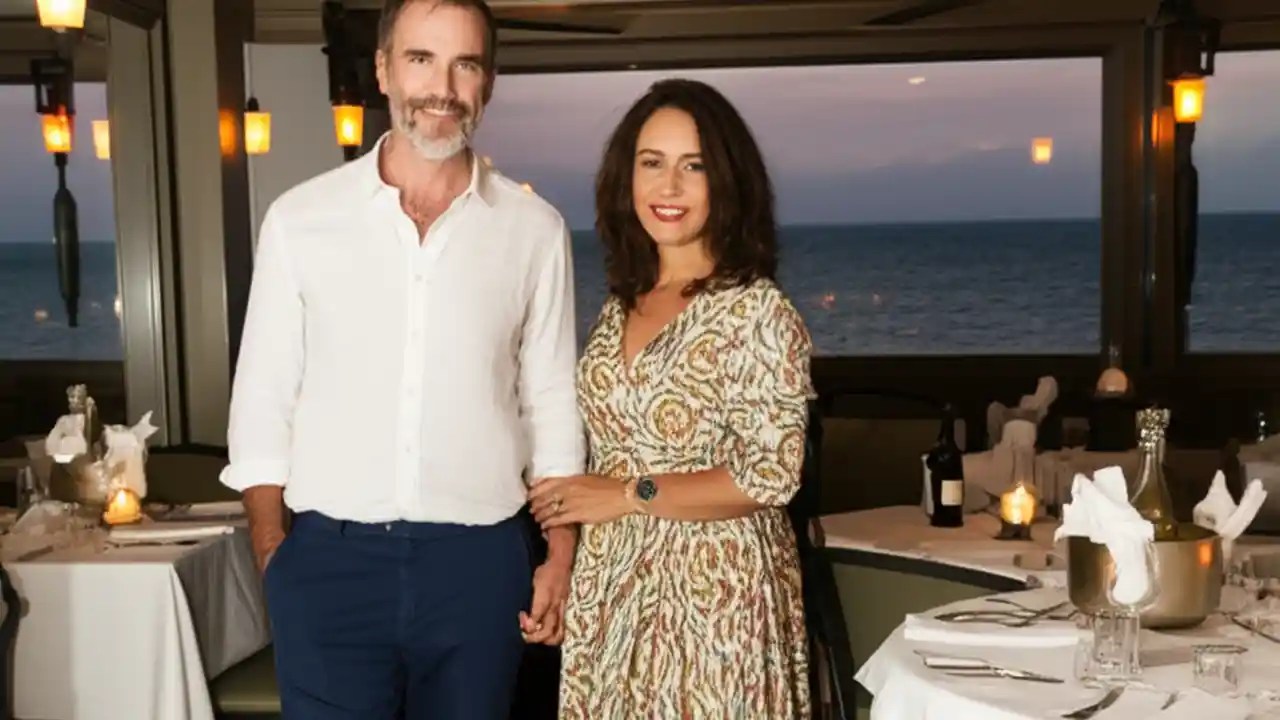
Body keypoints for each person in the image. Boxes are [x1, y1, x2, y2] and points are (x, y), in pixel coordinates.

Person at [220, 1, 583, 717]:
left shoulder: (535, 231)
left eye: (464, 64)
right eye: (421, 59)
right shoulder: (300, 220)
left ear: (488, 82)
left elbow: (551, 405)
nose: (442, 88)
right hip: (329, 564)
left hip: (481, 568)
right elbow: (263, 398)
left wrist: (561, 553)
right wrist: (273, 553)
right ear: (384, 70)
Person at [528, 78, 815, 718]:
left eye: (694, 166)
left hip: (716, 596)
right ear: (626, 177)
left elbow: (771, 474)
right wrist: (563, 554)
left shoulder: (758, 312)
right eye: (652, 163)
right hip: (614, 586)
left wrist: (630, 494)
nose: (670, 186)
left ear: (727, 180)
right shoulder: (620, 305)